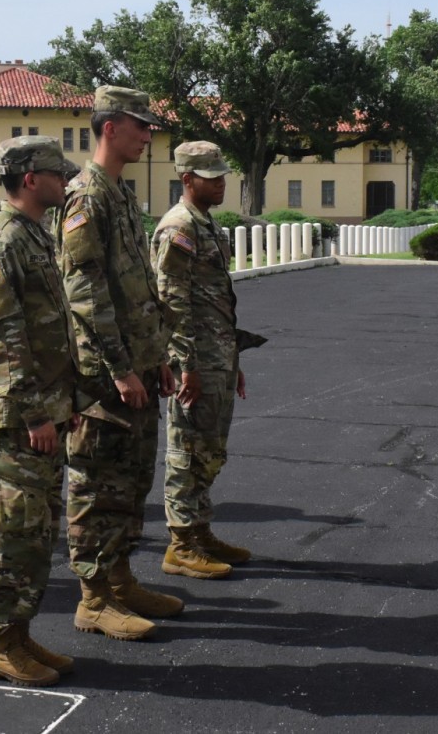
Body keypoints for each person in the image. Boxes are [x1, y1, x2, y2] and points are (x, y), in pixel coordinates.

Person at [0, 135, 84, 687]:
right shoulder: (2, 243)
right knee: (9, 535)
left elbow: (50, 330)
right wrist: (33, 414)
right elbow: (1, 337)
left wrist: (62, 402)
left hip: (37, 409)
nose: (66, 182)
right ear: (30, 179)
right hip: (7, 419)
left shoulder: (34, 235)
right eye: (58, 174)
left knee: (34, 532)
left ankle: (19, 635)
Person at [50, 86, 179, 641]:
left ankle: (121, 579)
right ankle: (94, 597)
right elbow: (85, 292)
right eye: (140, 125)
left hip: (137, 366)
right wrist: (121, 368)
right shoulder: (85, 197)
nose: (149, 135)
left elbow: (140, 286)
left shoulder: (120, 195)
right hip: (105, 375)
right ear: (110, 128)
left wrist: (158, 358)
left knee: (131, 482)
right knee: (96, 485)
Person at [153, 141, 256, 579]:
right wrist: (185, 364)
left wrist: (232, 358)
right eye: (211, 176)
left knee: (210, 451)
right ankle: (180, 545)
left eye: (221, 175)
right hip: (193, 361)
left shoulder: (206, 224)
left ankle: (199, 531)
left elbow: (214, 301)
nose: (221, 183)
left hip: (216, 357)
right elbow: (171, 302)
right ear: (186, 179)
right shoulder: (179, 227)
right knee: (187, 451)